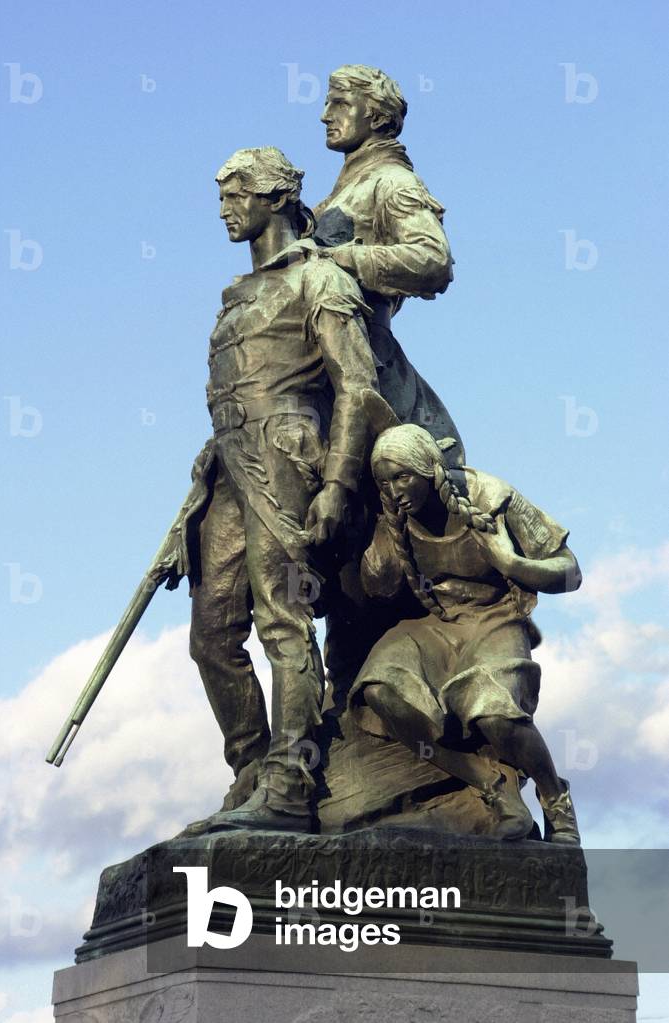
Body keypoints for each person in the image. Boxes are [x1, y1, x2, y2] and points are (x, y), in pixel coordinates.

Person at [183, 147, 378, 833]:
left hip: (290, 460)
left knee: (283, 619)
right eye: (222, 194)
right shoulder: (239, 294)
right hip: (228, 471)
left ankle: (291, 785)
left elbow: (357, 385)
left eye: (236, 193)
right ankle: (250, 771)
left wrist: (338, 482)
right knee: (211, 636)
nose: (224, 208)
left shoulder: (319, 279)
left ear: (275, 197)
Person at [349, 412, 582, 844]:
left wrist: (512, 563)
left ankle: (555, 798)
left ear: (429, 469)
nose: (394, 491)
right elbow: (378, 587)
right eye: (385, 483)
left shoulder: (492, 496)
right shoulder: (393, 517)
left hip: (496, 619)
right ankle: (491, 785)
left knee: (494, 711)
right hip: (437, 625)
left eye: (402, 478)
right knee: (380, 689)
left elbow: (570, 572)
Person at [315, 63, 463, 457]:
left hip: (367, 355)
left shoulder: (393, 181)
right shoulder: (333, 197)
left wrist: (344, 258)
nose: (325, 115)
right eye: (328, 104)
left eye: (340, 104)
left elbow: (433, 259)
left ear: (377, 117)